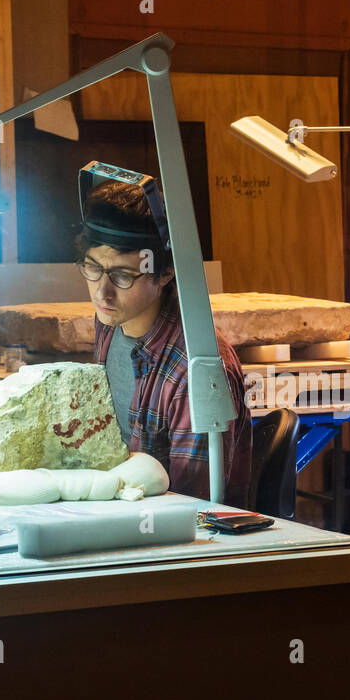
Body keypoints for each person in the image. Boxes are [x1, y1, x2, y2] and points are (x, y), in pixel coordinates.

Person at [79, 179, 252, 507]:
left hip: (173, 537)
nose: (103, 292)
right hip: (113, 508)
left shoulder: (195, 371)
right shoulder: (111, 320)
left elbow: (191, 506)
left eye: (122, 276)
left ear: (167, 272)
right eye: (93, 268)